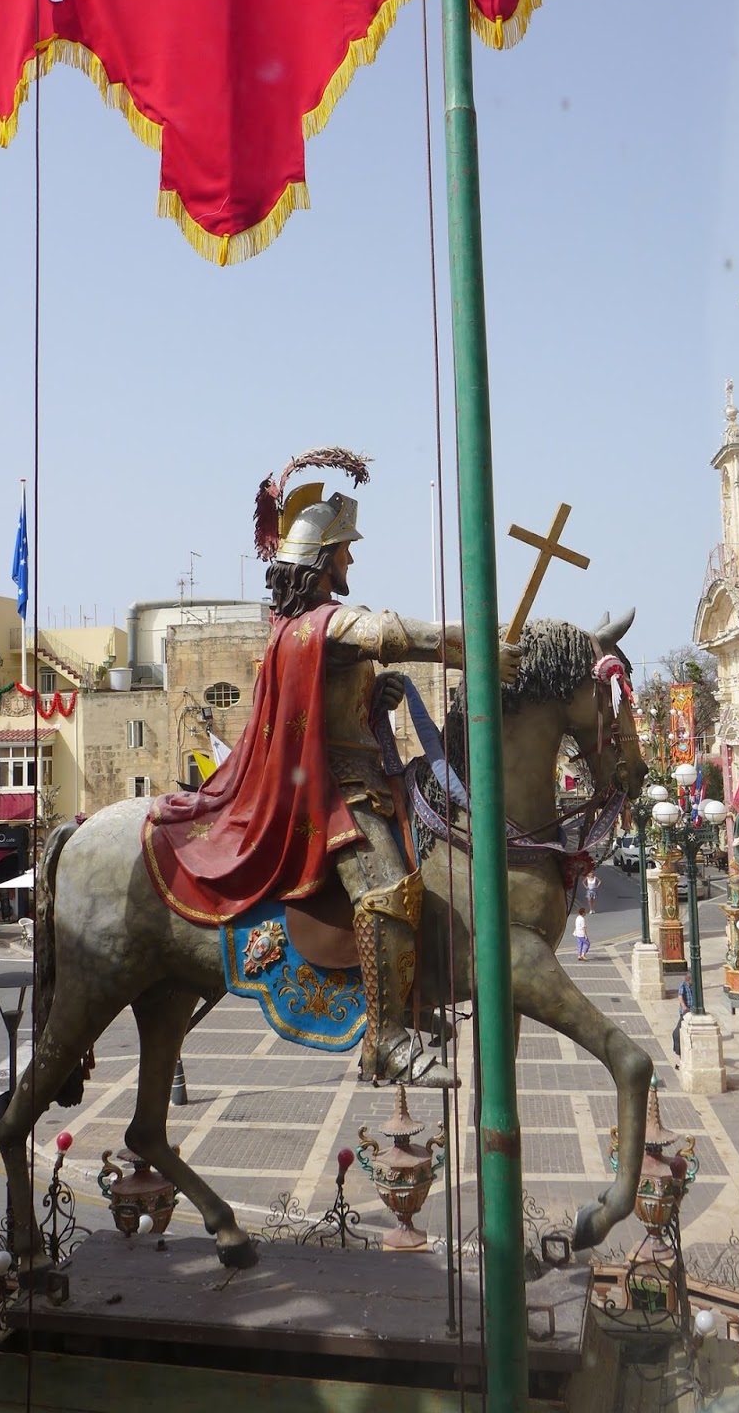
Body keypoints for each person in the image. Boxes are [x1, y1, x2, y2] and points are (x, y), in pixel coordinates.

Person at [144, 454, 521, 1089]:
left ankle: (412, 998)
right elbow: (396, 634)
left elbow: (334, 705)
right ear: (321, 559)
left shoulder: (302, 628)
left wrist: (374, 702)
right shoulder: (323, 625)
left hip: (366, 776)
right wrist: (480, 641)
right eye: (344, 550)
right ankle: (387, 1039)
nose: (351, 561)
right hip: (334, 792)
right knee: (390, 887)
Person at [673, 970, 693, 1064]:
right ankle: (679, 1056)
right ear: (688, 979)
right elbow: (680, 996)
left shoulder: (694, 986)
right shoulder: (683, 986)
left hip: (693, 1012)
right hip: (685, 1013)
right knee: (676, 1034)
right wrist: (684, 1007)